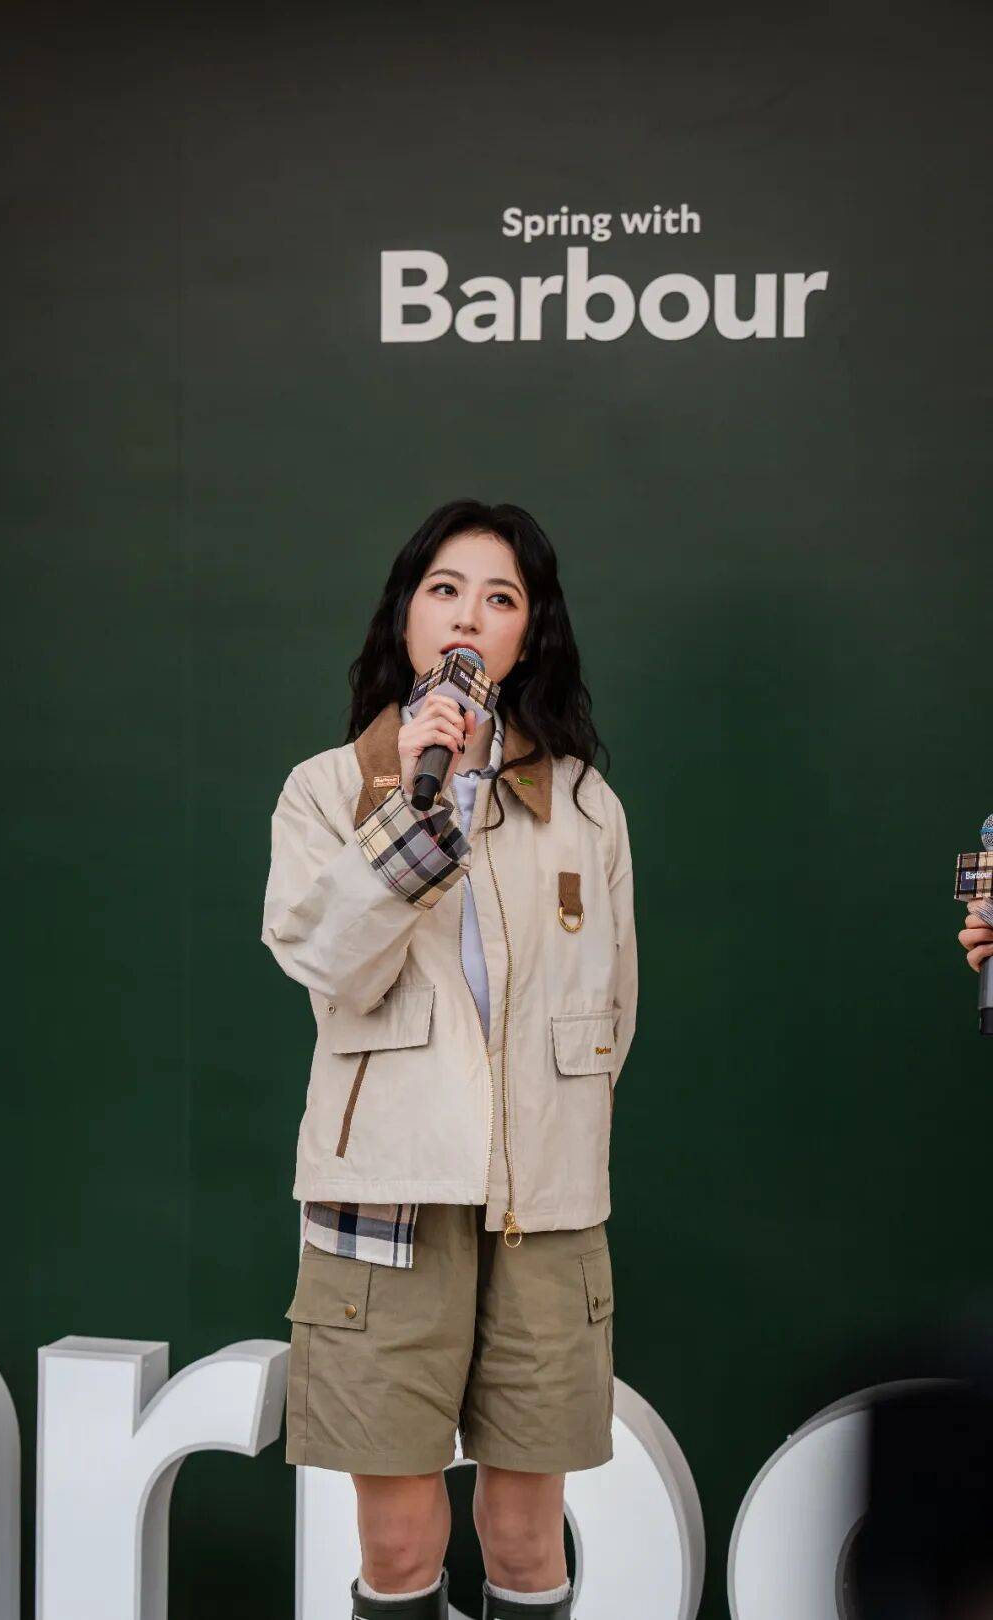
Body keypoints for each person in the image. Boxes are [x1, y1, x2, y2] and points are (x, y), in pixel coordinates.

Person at [261, 498, 637, 1620]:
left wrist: (544, 1129)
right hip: (386, 1194)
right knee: (397, 1541)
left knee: (525, 1535)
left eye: (500, 597)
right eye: (445, 589)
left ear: (527, 637)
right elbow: (328, 963)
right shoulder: (327, 791)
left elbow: (613, 1011)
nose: (469, 614)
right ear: (407, 618)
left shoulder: (585, 805)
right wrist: (416, 805)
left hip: (543, 1202)